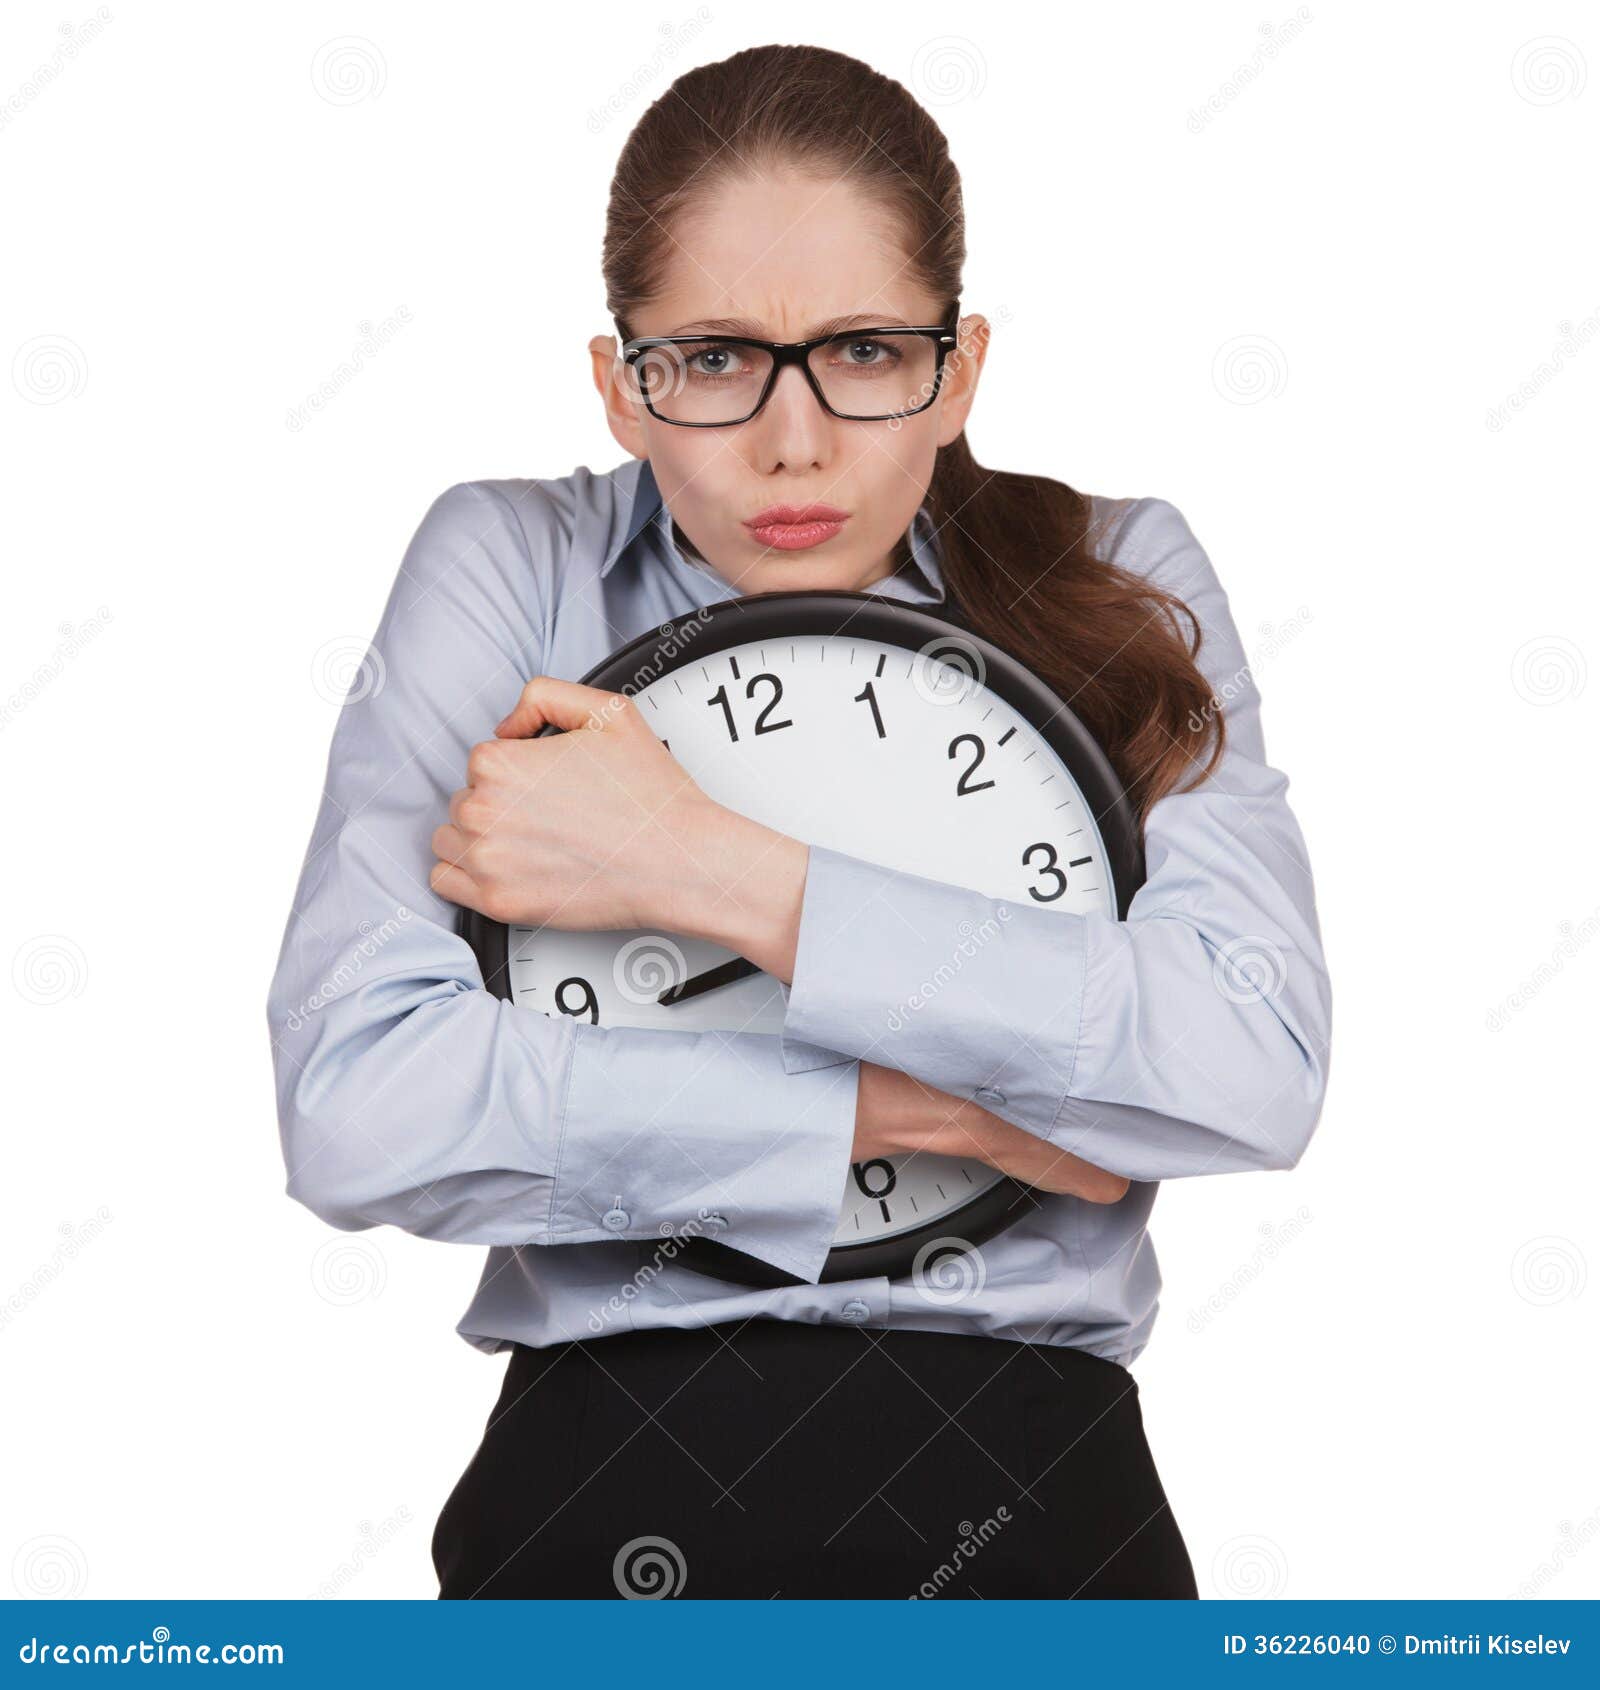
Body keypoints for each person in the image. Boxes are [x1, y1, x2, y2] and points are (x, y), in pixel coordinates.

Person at [265, 43, 1332, 1600]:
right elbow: (358, 1098)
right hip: (597, 1476)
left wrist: (704, 865)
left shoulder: (1116, 570)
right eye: (709, 359)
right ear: (620, 384)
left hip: (1036, 1498)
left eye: (864, 351)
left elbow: (1253, 1065)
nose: (792, 441)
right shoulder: (512, 565)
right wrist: (922, 1109)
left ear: (959, 369)